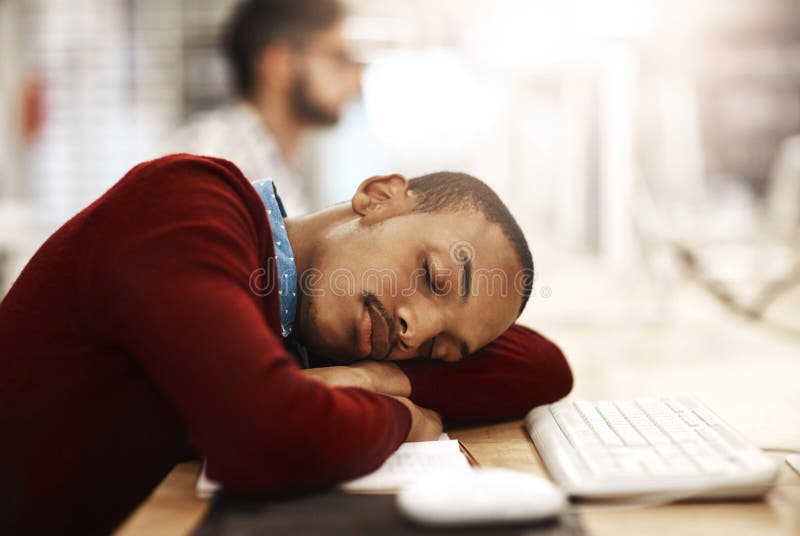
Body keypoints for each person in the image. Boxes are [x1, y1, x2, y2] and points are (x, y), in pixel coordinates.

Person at [0, 154, 573, 535]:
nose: (414, 332)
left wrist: (377, 377)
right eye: (434, 278)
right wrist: (399, 415)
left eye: (438, 351)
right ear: (378, 197)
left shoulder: (310, 330)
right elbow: (269, 435)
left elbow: (542, 368)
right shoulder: (189, 203)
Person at [168, 0, 361, 214]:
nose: (356, 82)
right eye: (338, 59)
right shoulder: (211, 162)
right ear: (280, 64)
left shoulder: (274, 162)